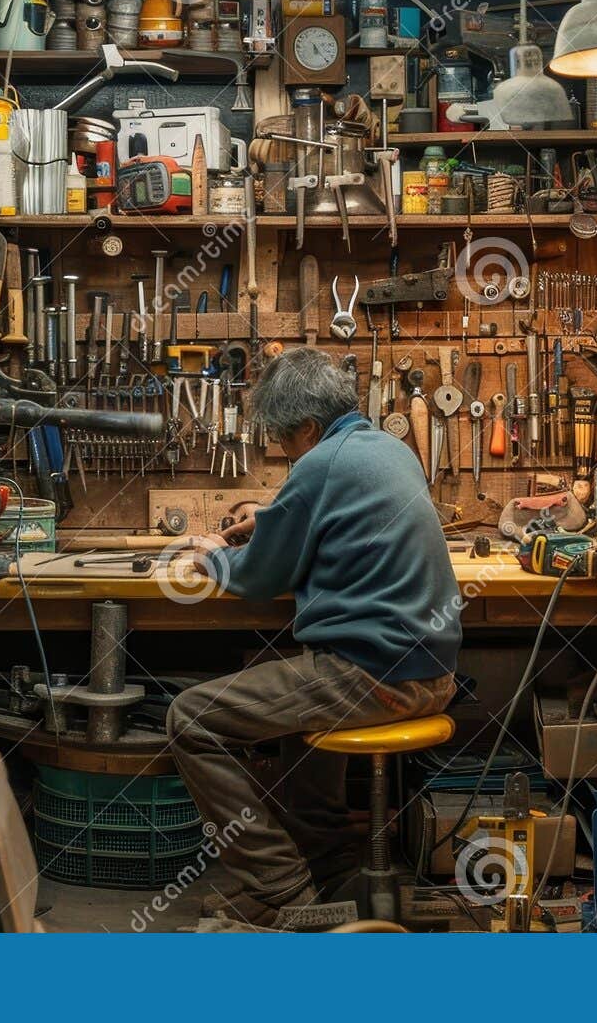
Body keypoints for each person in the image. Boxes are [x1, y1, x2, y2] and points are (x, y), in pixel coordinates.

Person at [165, 347, 462, 927]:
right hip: (424, 669)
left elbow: (260, 577)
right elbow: (324, 519)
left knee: (190, 719)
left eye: (284, 440)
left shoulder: (320, 464)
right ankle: (330, 876)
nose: (284, 452)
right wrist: (273, 520)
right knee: (296, 728)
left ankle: (282, 888)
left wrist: (210, 558)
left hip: (377, 677)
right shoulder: (389, 449)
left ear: (306, 427)